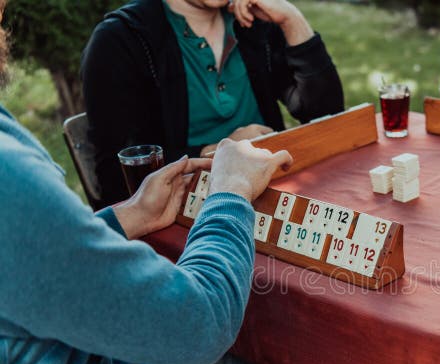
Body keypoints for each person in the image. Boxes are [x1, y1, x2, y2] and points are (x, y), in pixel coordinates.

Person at [0, 8, 433, 364]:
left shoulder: (252, 28)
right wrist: (228, 192)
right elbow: (200, 325)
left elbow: (33, 268)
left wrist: (125, 217)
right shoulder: (18, 159)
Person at [81, 0, 344, 208]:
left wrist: (291, 20)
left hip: (273, 197)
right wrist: (219, 151)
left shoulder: (253, 21)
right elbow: (119, 175)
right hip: (182, 217)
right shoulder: (120, 39)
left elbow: (329, 118)